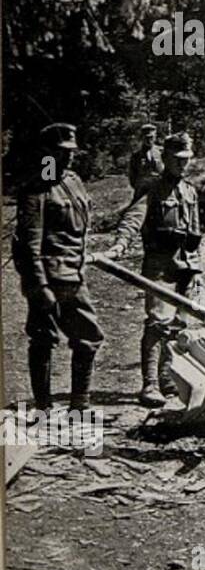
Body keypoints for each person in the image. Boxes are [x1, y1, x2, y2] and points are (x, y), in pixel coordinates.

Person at [103, 132, 203, 408]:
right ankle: (149, 384)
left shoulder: (190, 191)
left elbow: (194, 232)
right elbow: (133, 220)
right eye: (177, 159)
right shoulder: (152, 189)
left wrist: (198, 270)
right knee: (158, 323)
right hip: (160, 266)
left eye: (186, 159)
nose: (182, 165)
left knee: (179, 326)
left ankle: (167, 377)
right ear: (165, 158)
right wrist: (119, 246)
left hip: (187, 267)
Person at [13, 123, 104, 411]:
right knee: (43, 340)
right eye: (61, 152)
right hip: (49, 278)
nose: (69, 157)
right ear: (47, 153)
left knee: (89, 337)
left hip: (74, 276)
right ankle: (43, 408)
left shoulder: (73, 181)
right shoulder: (38, 188)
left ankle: (79, 405)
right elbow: (29, 242)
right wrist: (39, 286)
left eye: (72, 152)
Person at [128, 123, 164, 196]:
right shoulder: (136, 156)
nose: (149, 140)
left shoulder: (162, 152)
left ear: (155, 137)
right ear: (142, 138)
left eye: (151, 137)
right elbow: (132, 178)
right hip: (142, 193)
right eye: (146, 138)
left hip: (160, 191)